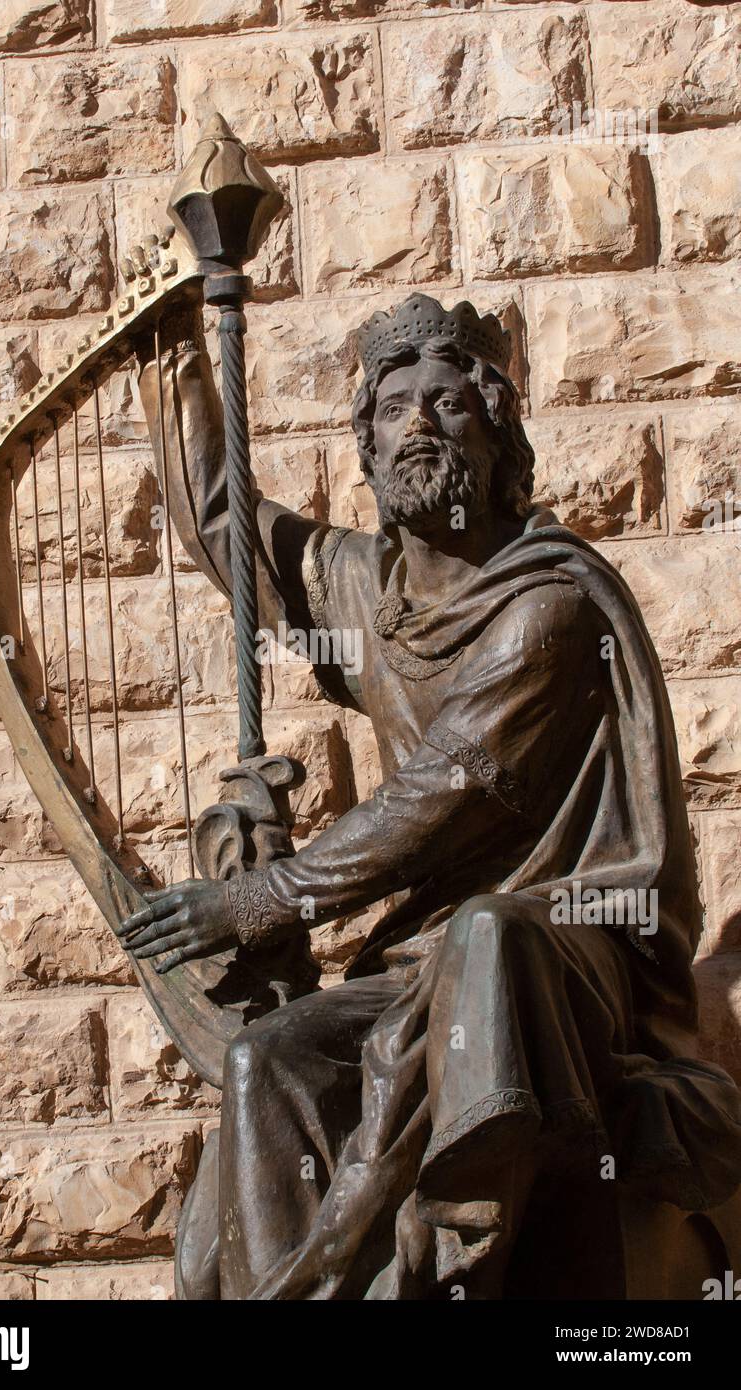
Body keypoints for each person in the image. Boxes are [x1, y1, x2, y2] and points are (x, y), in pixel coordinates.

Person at [119, 292, 741, 1300]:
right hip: (414, 963)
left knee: (487, 934)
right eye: (394, 406)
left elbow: (435, 795)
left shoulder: (547, 600)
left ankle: (461, 1239)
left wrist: (258, 898)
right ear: (364, 448)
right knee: (268, 1059)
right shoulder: (366, 591)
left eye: (448, 403)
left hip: (565, 951)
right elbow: (227, 527)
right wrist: (170, 348)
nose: (418, 424)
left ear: (497, 433)